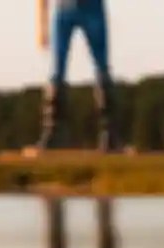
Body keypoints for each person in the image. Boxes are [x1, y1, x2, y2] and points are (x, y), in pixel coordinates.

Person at [36, 0, 122, 152]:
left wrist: (42, 23)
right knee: (58, 69)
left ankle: (109, 133)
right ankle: (53, 132)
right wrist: (42, 24)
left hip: (89, 6)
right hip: (66, 7)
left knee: (100, 67)